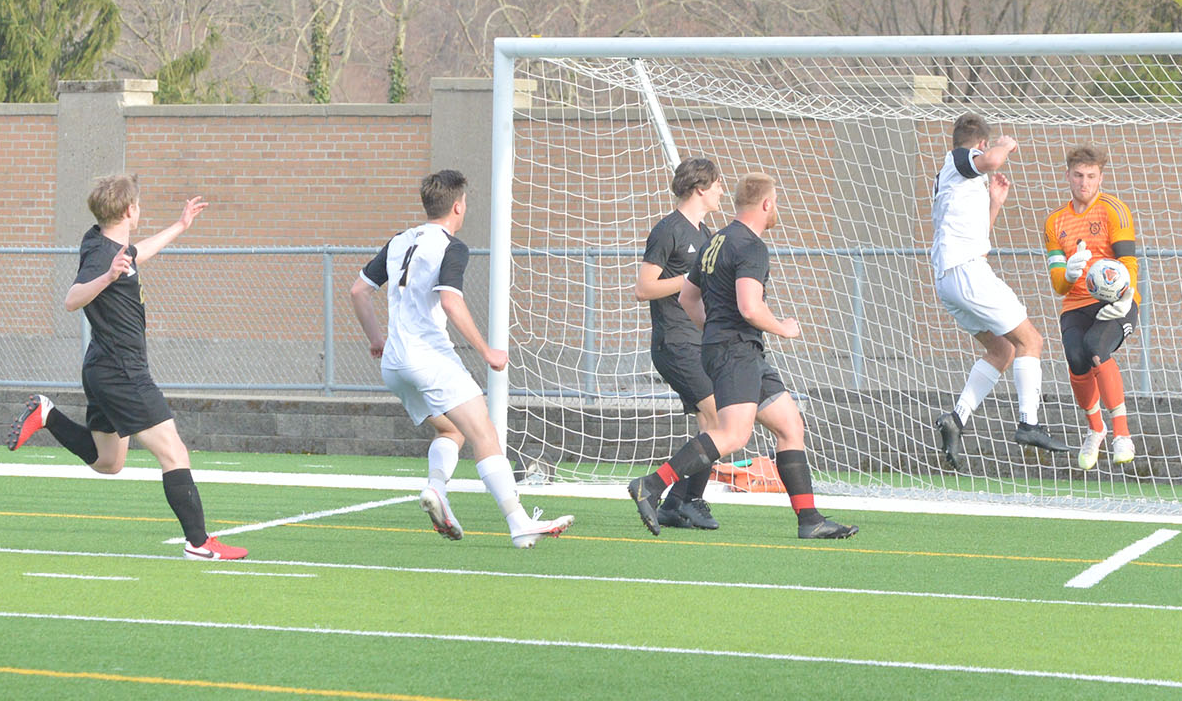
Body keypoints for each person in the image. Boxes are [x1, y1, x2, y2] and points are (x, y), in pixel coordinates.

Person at [6, 174, 246, 560]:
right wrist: (107, 276)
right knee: (174, 454)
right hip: (122, 372)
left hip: (103, 367)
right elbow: (71, 300)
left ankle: (47, 414)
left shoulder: (105, 241)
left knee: (109, 461)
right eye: (139, 204)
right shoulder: (105, 257)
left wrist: (180, 226)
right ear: (130, 210)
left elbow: (135, 254)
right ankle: (199, 544)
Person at [349, 169, 572, 549]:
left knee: (450, 430)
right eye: (465, 202)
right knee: (484, 432)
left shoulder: (400, 240)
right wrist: (487, 352)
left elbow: (358, 291)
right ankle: (518, 523)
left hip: (395, 366)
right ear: (457, 205)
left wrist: (376, 339)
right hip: (429, 359)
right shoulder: (452, 246)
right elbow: (451, 301)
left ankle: (436, 489)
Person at [627, 173, 856, 539]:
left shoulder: (713, 240)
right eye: (776, 201)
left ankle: (809, 519)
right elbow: (750, 308)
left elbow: (688, 299)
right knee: (732, 434)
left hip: (736, 349)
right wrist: (783, 327)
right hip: (736, 351)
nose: (776, 208)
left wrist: (714, 327)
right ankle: (651, 486)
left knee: (789, 424)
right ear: (766, 204)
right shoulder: (750, 246)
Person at [929, 113, 1070, 470]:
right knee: (1031, 341)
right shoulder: (958, 159)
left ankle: (956, 419)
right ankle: (1029, 424)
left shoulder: (963, 180)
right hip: (965, 273)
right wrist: (1003, 144)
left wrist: (995, 202)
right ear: (978, 144)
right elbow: (991, 159)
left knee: (1003, 349)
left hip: (951, 277)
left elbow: (979, 238)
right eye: (984, 148)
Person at [633, 157, 726, 530]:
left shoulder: (705, 235)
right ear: (700, 188)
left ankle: (676, 504)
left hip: (699, 342)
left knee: (714, 422)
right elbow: (644, 288)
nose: (722, 191)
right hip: (674, 342)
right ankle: (687, 499)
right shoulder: (667, 230)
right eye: (718, 184)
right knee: (721, 420)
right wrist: (689, 280)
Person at [1043, 146, 1139, 470]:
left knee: (1096, 347)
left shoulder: (1115, 210)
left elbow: (1128, 262)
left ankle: (1121, 435)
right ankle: (1095, 428)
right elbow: (1058, 285)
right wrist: (1068, 273)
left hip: (1116, 301)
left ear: (1101, 177)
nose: (1085, 183)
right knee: (1076, 356)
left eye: (1091, 176)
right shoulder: (1056, 222)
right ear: (1068, 175)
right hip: (1076, 303)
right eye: (1079, 176)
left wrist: (1127, 295)